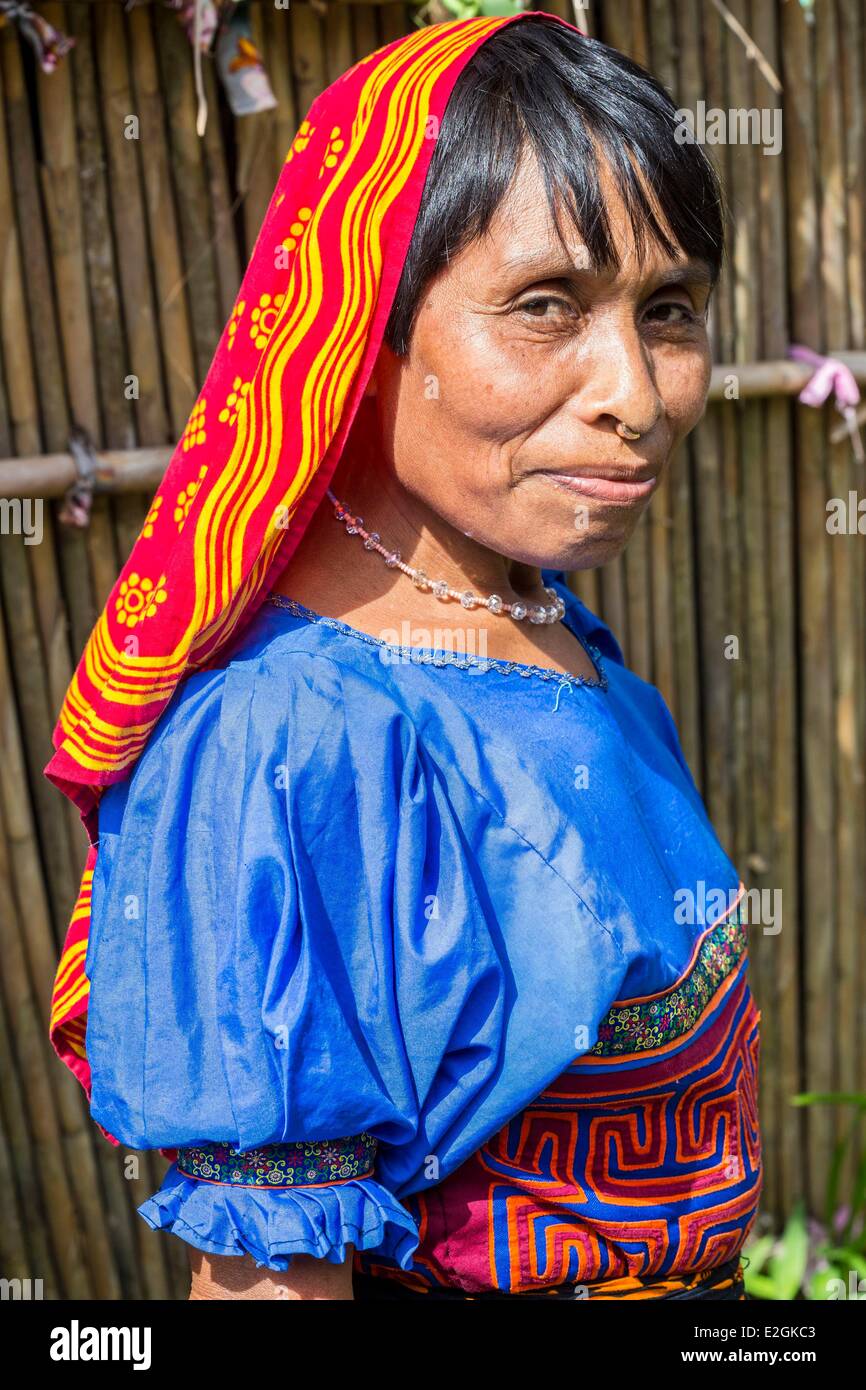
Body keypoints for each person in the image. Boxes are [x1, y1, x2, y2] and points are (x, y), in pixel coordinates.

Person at [45, 11, 761, 1301]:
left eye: (670, 311)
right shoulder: (286, 742)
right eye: (546, 306)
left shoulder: (537, 623)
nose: (639, 396)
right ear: (369, 332)